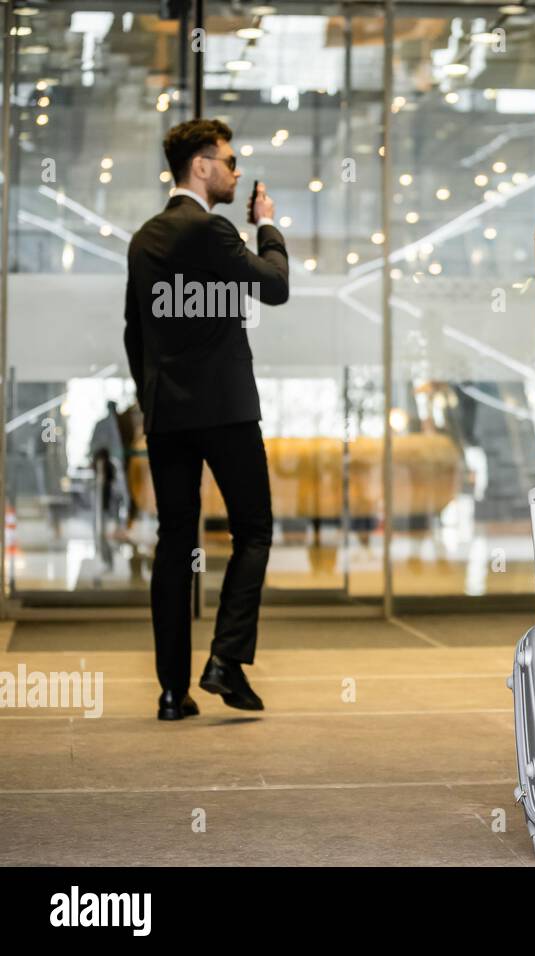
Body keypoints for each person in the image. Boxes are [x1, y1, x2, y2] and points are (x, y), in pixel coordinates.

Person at [124, 118, 289, 721]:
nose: (235, 170)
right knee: (254, 530)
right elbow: (274, 286)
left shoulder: (144, 239)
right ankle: (224, 659)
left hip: (169, 415)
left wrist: (155, 401)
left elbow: (133, 333)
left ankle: (172, 693)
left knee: (175, 543)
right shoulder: (213, 232)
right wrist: (266, 223)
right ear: (201, 166)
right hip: (226, 411)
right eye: (227, 160)